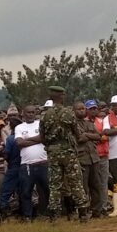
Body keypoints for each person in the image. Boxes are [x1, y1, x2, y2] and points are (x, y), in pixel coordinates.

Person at [41, 87, 91, 222]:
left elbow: (42, 137)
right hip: (68, 152)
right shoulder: (69, 113)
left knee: (55, 184)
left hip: (53, 152)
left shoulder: (45, 115)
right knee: (76, 182)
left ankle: (54, 216)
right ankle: (83, 214)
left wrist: (51, 145)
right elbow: (78, 134)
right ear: (61, 96)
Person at [12, 106, 49, 222]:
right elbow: (19, 143)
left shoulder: (40, 124)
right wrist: (37, 139)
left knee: (46, 190)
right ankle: (28, 216)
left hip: (43, 162)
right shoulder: (19, 127)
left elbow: (44, 138)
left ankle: (47, 213)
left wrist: (27, 139)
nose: (31, 114)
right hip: (27, 165)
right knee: (26, 191)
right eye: (28, 112)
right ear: (23, 113)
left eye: (33, 112)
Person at [77, 101, 110, 218]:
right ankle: (85, 212)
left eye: (82, 109)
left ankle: (97, 211)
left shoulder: (89, 123)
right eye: (79, 109)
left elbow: (98, 136)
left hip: (94, 158)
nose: (81, 111)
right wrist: (90, 136)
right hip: (82, 159)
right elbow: (79, 138)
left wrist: (87, 135)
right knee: (83, 187)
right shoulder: (72, 125)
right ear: (74, 111)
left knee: (96, 186)